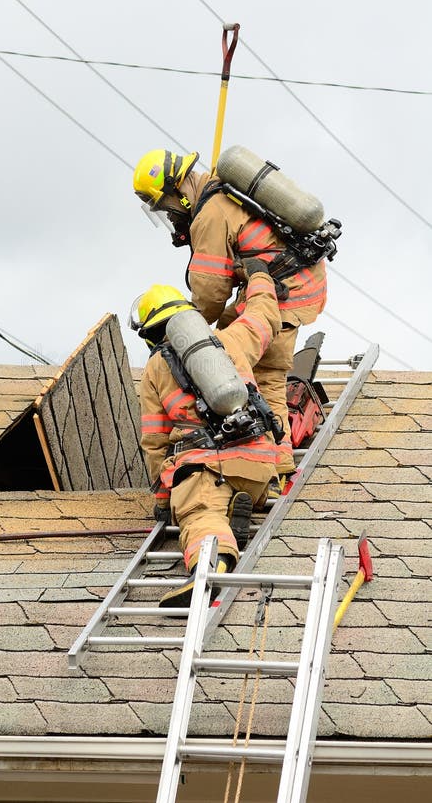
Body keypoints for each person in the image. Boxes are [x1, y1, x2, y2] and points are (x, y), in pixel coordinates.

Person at [133, 149, 327, 482]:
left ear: (179, 193)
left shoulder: (209, 216)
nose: (170, 216)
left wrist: (182, 338)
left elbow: (209, 295)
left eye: (166, 207)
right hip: (292, 284)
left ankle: (275, 468)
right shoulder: (217, 191)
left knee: (260, 375)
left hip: (283, 293)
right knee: (231, 342)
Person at [131, 259, 281, 608]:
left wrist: (163, 500)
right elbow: (264, 318)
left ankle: (211, 571)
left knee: (199, 514)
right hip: (259, 464)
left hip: (204, 468)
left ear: (151, 331)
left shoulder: (154, 368)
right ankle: (239, 509)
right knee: (225, 493)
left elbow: (154, 441)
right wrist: (259, 277)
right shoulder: (231, 339)